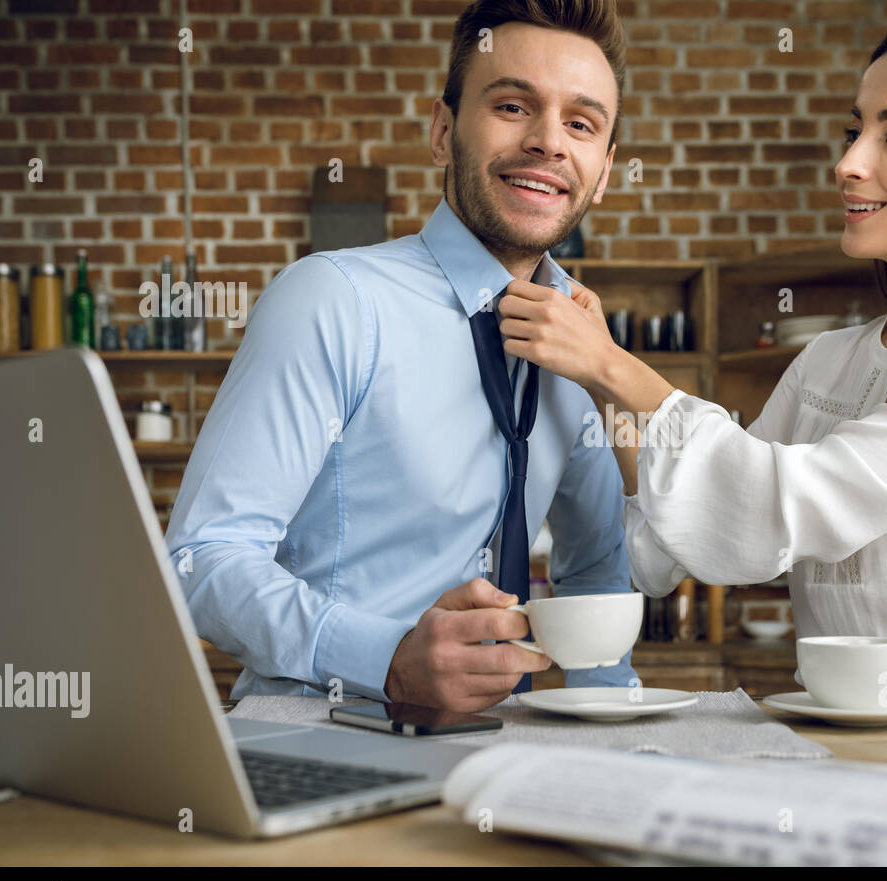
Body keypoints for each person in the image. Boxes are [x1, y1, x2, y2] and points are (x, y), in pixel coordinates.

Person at [498, 10, 887, 682]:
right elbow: (669, 547)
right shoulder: (828, 361)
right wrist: (601, 382)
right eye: (856, 131)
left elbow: (788, 503)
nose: (849, 163)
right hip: (854, 744)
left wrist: (612, 363)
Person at [165, 0, 636, 712]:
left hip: (506, 760)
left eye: (581, 123)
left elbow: (596, 567)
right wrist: (383, 659)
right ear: (444, 132)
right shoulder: (331, 300)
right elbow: (200, 559)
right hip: (321, 741)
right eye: (513, 106)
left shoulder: (583, 342)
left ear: (603, 170)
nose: (548, 141)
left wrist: (614, 720)